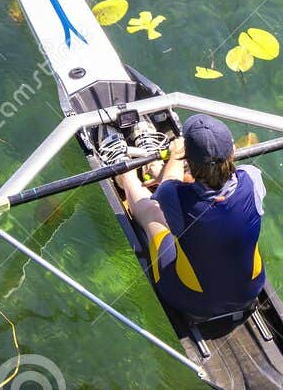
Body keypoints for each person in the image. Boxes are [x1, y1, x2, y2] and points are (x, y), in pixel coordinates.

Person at [112, 114, 266, 321]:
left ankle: (126, 174)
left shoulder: (171, 194)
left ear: (187, 160)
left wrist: (174, 156)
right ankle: (154, 168)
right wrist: (173, 169)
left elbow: (168, 185)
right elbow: (199, 183)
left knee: (154, 214)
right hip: (251, 291)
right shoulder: (253, 177)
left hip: (188, 298)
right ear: (233, 152)